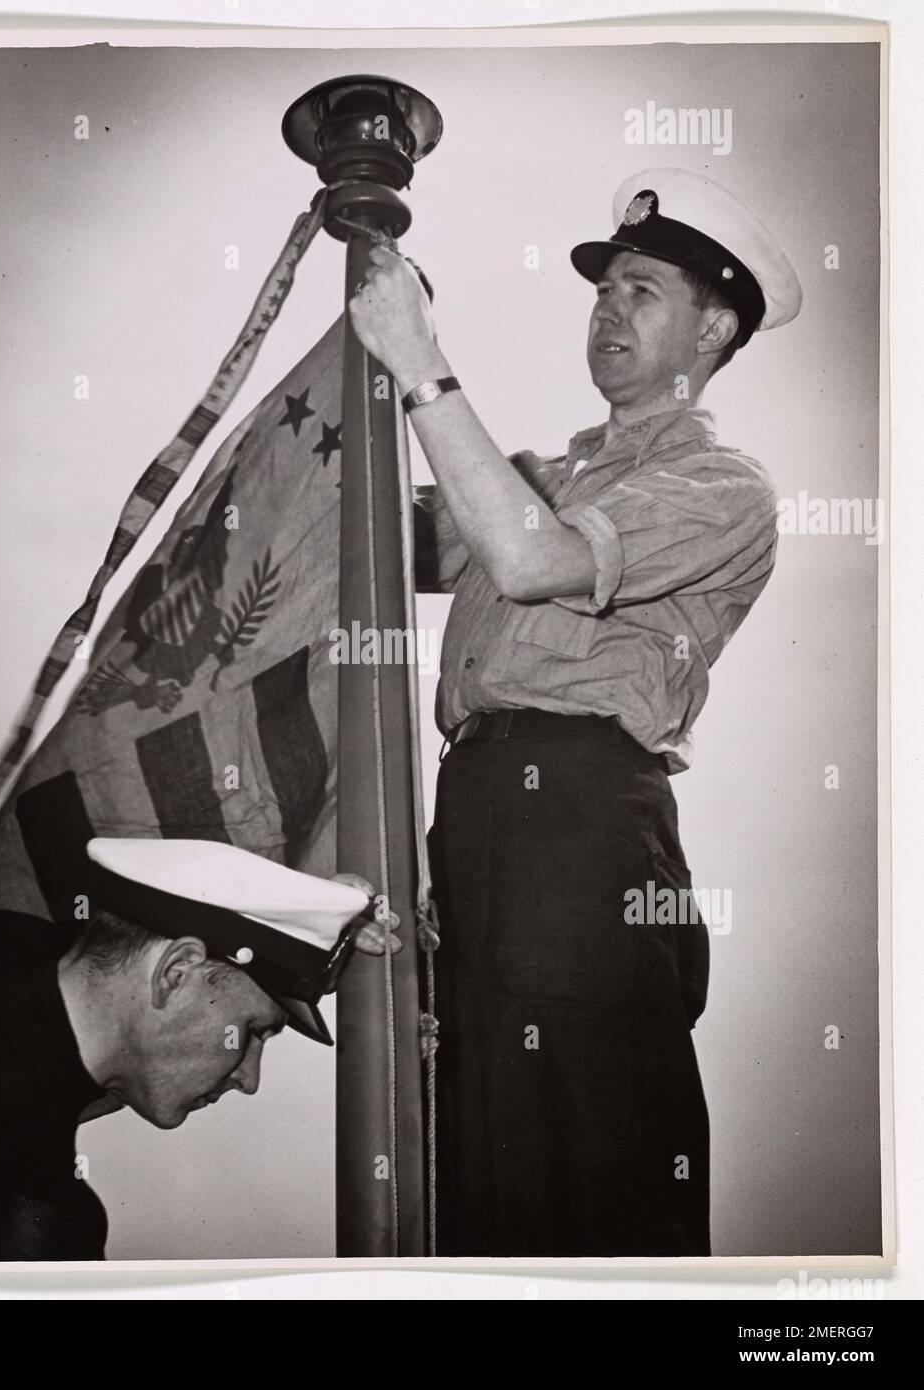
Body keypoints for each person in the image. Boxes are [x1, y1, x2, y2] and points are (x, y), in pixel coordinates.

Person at [348, 166, 802, 1255]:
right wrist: (354, 380)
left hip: (583, 826)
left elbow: (528, 555)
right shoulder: (544, 471)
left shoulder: (722, 483)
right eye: (605, 289)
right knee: (477, 1179)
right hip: (476, 822)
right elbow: (358, 540)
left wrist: (417, 359)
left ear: (715, 329)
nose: (609, 308)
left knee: (584, 1166)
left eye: (643, 291)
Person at [0, 776, 398, 1261]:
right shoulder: (28, 1222)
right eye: (250, 1033)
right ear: (176, 972)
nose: (249, 1079)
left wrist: (299, 919)